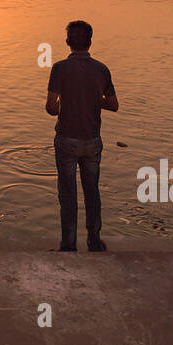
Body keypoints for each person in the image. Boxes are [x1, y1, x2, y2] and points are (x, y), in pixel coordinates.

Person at [45, 19, 118, 252]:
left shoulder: (59, 68)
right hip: (93, 142)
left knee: (68, 194)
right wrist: (94, 99)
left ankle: (68, 244)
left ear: (67, 42)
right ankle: (94, 241)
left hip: (67, 139)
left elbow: (50, 107)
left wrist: (63, 104)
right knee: (92, 192)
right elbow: (114, 105)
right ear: (90, 41)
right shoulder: (102, 69)